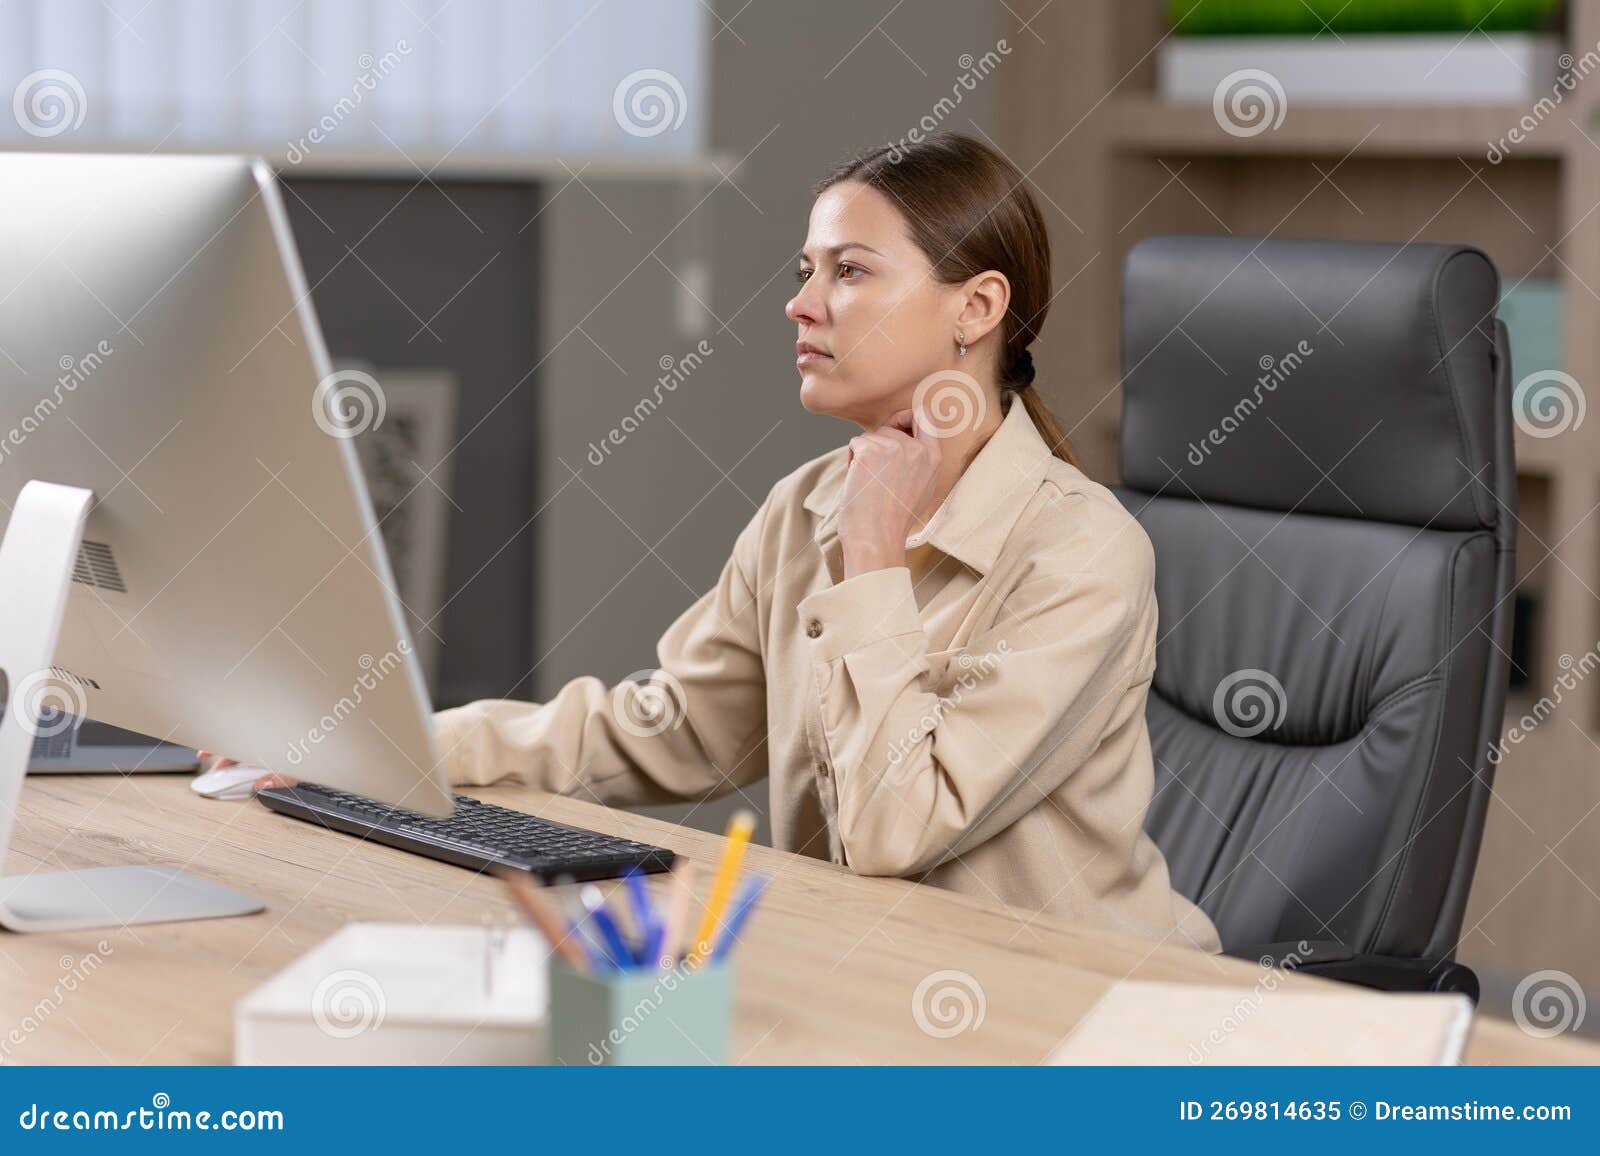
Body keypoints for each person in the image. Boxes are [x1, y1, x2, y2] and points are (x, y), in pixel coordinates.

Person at [211, 132, 1220, 952]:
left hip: (1073, 1017)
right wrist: (373, 747)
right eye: (805, 270)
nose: (801, 302)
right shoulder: (805, 506)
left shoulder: (1081, 553)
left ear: (978, 307)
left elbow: (893, 830)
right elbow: (670, 728)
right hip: (872, 977)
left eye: (850, 271)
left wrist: (872, 560)